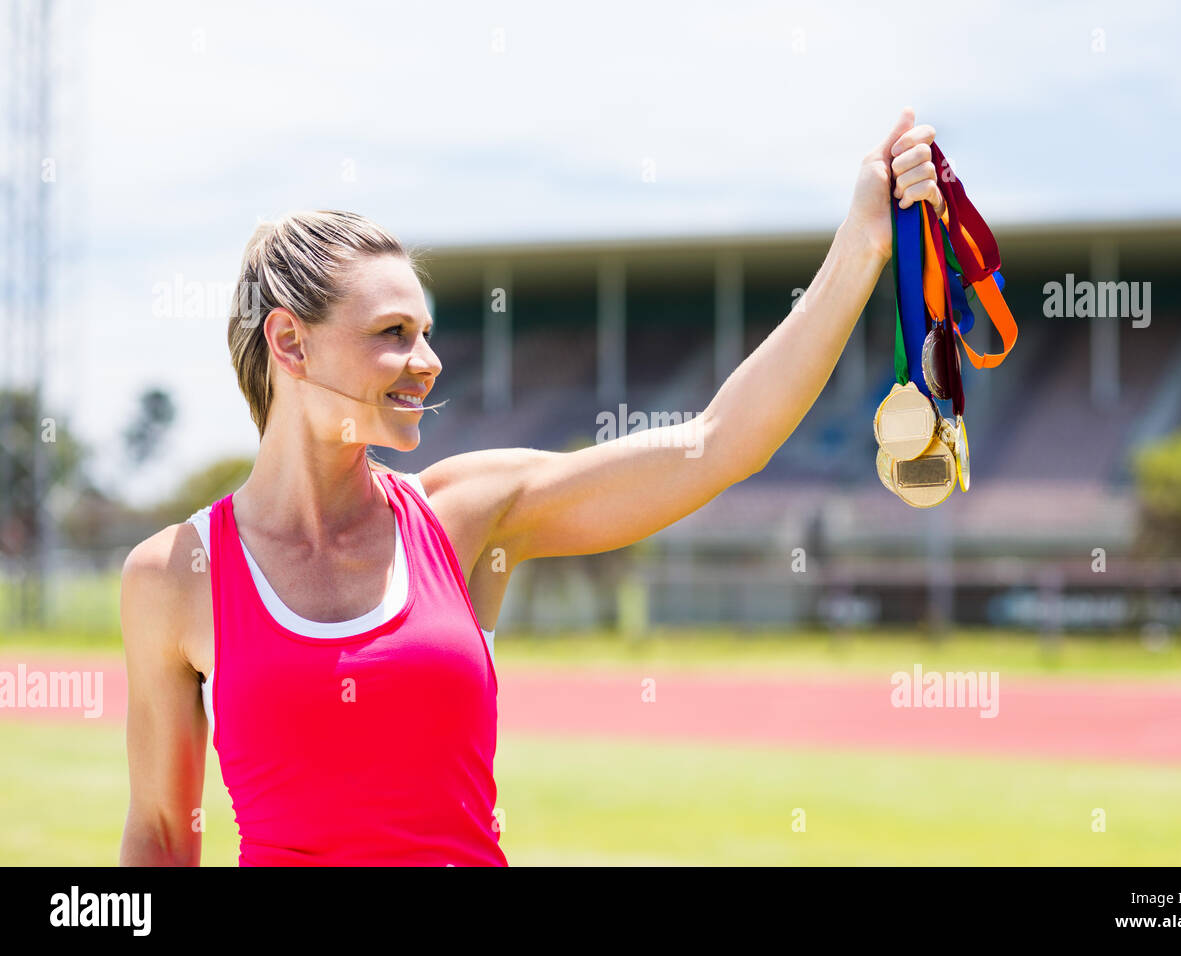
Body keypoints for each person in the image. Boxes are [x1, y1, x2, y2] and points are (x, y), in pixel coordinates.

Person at [118, 108, 947, 866]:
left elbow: (719, 444)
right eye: (392, 335)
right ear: (291, 343)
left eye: (428, 333)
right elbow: (160, 833)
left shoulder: (463, 516)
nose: (430, 361)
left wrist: (863, 242)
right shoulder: (171, 577)